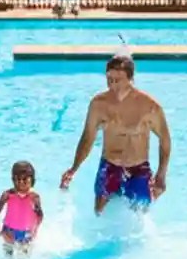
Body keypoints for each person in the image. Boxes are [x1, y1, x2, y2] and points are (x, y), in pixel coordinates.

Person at [59, 55, 171, 214]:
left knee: (139, 219)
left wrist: (161, 174)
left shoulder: (149, 107)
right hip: (110, 165)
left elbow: (165, 139)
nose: (112, 84)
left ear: (131, 79)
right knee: (99, 214)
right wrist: (73, 168)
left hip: (138, 168)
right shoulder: (99, 105)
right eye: (109, 79)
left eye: (117, 80)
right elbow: (87, 138)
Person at [0, 160, 43, 258]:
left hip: (26, 234)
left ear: (32, 180)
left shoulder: (34, 197)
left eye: (24, 179)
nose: (21, 183)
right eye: (17, 179)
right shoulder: (8, 195)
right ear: (13, 180)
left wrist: (34, 230)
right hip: (9, 232)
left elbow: (39, 215)